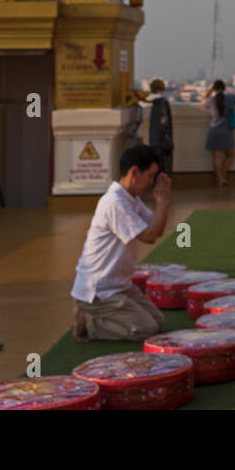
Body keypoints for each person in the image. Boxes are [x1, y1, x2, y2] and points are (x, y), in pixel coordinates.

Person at [70, 144, 171, 342]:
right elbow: (149, 236)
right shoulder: (114, 202)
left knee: (157, 320)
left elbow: (156, 230)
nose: (151, 183)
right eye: (150, 176)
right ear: (134, 172)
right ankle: (89, 323)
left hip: (118, 285)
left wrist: (163, 202)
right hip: (98, 290)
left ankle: (96, 318)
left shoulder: (131, 198)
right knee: (146, 329)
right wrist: (162, 202)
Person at [203, 79, 235, 185]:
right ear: (224, 88)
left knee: (217, 157)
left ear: (214, 88)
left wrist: (209, 88)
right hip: (226, 131)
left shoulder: (211, 100)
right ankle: (223, 176)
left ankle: (219, 179)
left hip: (214, 131)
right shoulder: (229, 99)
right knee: (230, 155)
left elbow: (203, 99)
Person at [146, 79, 174, 176]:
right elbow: (164, 122)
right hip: (162, 139)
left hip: (154, 138)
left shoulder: (151, 100)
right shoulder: (162, 101)